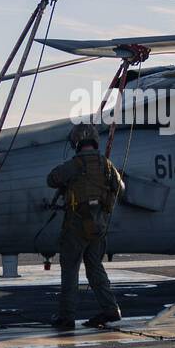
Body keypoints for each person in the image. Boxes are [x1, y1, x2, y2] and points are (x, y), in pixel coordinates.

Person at [47, 123, 124, 330]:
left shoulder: (74, 165)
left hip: (77, 225)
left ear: (76, 143)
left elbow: (52, 179)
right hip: (99, 225)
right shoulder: (107, 165)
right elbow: (120, 189)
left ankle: (66, 316)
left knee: (70, 270)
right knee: (95, 268)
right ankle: (111, 309)